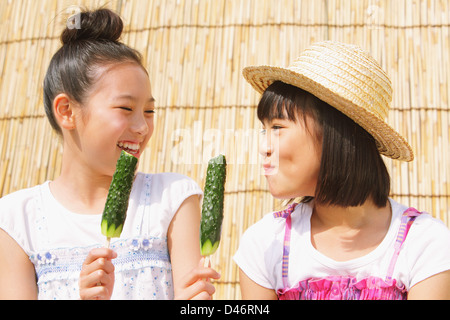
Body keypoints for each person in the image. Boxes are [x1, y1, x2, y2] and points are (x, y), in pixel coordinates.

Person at [0, 8, 219, 300]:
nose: (142, 127)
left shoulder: (173, 198)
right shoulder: (16, 220)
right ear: (67, 111)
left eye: (149, 111)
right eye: (125, 109)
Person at [234, 41, 450, 300]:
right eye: (264, 129)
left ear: (335, 133)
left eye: (277, 128)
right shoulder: (265, 244)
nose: (264, 147)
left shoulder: (425, 243)